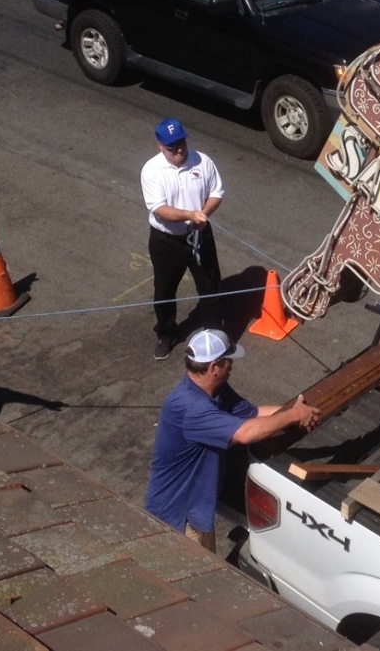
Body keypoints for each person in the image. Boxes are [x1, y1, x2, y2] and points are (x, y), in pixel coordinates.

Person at [144, 328, 320, 551]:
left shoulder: (215, 390)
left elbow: (253, 414)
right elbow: (245, 433)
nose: (232, 365)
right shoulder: (190, 407)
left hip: (197, 509)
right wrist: (293, 416)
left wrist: (298, 412)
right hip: (179, 519)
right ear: (214, 368)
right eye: (228, 361)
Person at [141, 117, 225, 360]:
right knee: (164, 290)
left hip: (199, 234)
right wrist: (190, 214)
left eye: (181, 143)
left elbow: (217, 191)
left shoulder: (203, 161)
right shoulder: (152, 171)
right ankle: (166, 334)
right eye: (172, 147)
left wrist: (204, 214)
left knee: (211, 287)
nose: (179, 150)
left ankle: (216, 337)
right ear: (160, 146)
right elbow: (159, 208)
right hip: (167, 241)